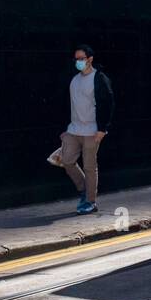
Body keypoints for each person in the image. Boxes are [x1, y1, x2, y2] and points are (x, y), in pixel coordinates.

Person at [47, 45, 114, 214]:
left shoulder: (99, 78)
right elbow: (65, 103)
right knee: (67, 161)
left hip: (92, 130)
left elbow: (108, 103)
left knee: (90, 166)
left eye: (81, 58)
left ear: (90, 59)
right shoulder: (74, 79)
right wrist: (64, 129)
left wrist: (102, 129)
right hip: (73, 130)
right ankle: (85, 190)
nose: (78, 62)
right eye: (76, 59)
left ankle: (90, 202)